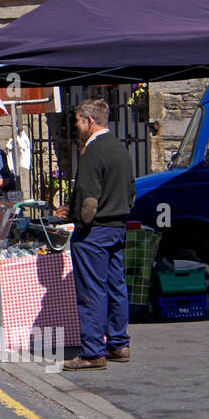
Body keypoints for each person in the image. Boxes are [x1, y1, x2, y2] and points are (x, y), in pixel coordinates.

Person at [59, 99, 136, 371]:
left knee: (92, 290)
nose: (77, 126)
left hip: (95, 231)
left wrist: (78, 220)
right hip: (116, 226)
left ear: (89, 121)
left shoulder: (93, 151)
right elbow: (129, 191)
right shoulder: (119, 149)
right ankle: (118, 343)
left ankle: (93, 351)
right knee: (116, 286)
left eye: (79, 121)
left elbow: (90, 201)